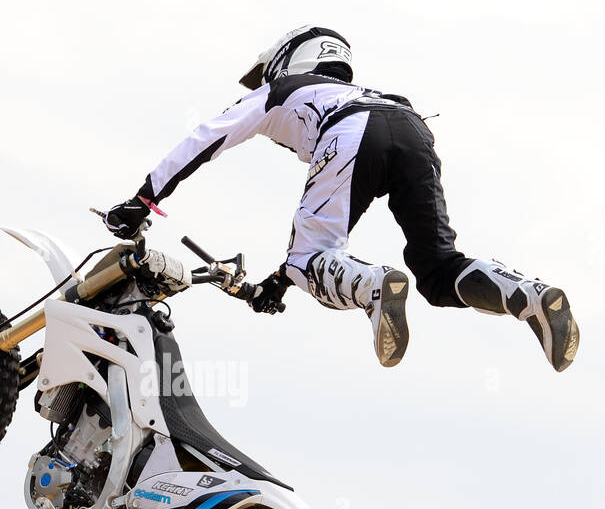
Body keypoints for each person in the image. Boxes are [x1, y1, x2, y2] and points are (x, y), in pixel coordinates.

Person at [104, 25, 580, 371]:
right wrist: (282, 280)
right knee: (438, 270)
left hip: (351, 134)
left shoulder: (280, 90)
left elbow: (206, 137)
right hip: (412, 128)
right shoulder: (360, 92)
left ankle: (373, 287)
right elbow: (345, 203)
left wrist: (142, 199)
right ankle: (530, 297)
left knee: (313, 256)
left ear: (289, 60)